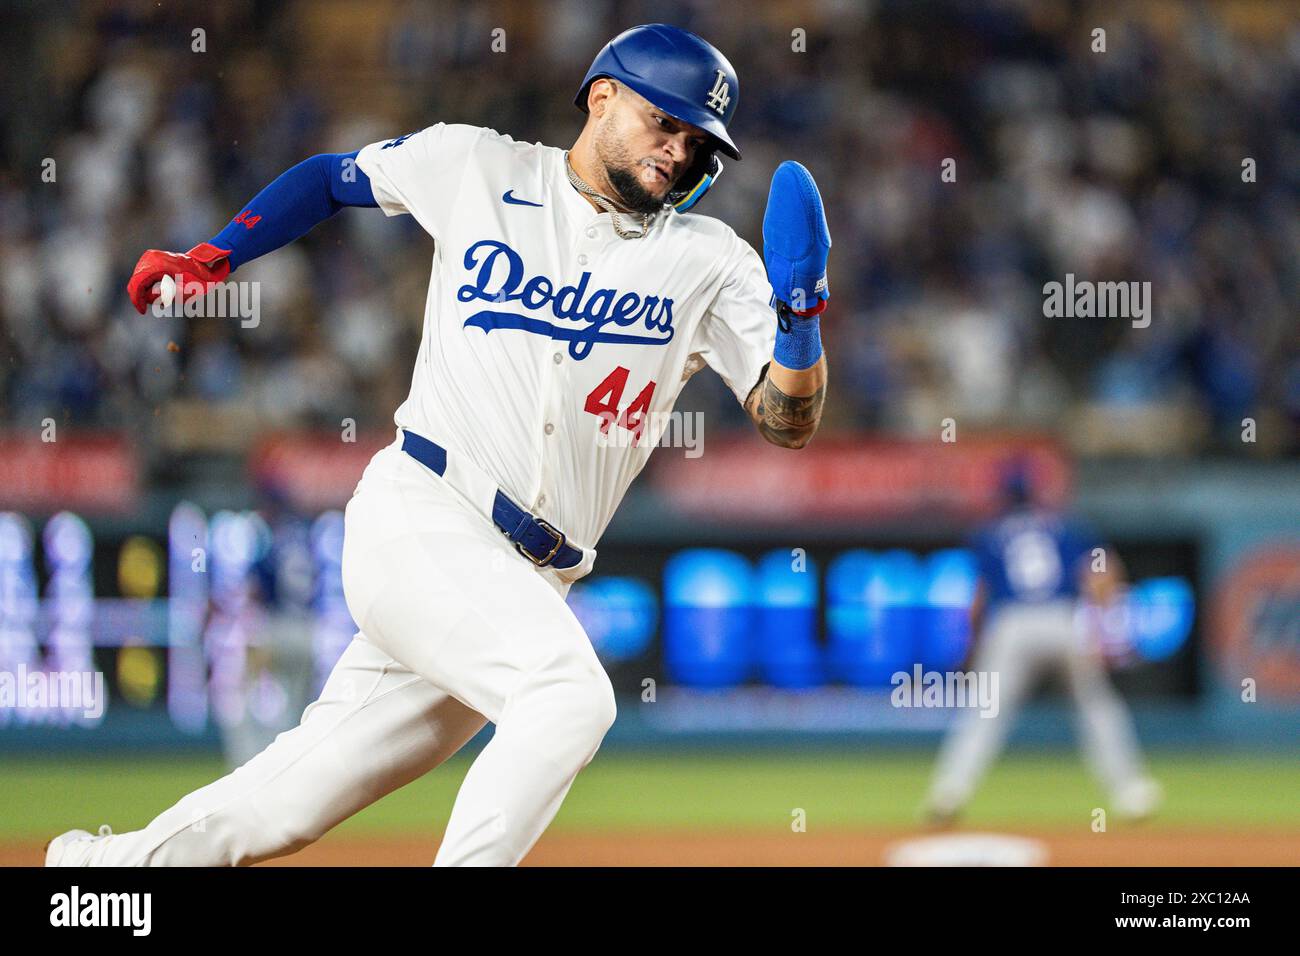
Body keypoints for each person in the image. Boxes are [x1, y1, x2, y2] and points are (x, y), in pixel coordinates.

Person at [46, 23, 831, 866]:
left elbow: (787, 422)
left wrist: (800, 327)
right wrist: (216, 254)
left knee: (288, 801)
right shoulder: (479, 165)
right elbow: (333, 179)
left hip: (531, 578)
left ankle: (98, 873)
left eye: (696, 141)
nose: (677, 151)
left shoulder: (711, 259)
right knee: (568, 694)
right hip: (425, 515)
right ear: (601, 95)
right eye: (662, 122)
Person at [920, 462, 1162, 826]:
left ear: (1003, 495)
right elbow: (1103, 574)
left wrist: (969, 647)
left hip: (1012, 624)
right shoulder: (1065, 525)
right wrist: (1106, 626)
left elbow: (978, 598)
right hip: (1063, 620)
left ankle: (948, 794)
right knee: (1096, 707)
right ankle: (1131, 794)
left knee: (983, 715)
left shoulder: (990, 531)